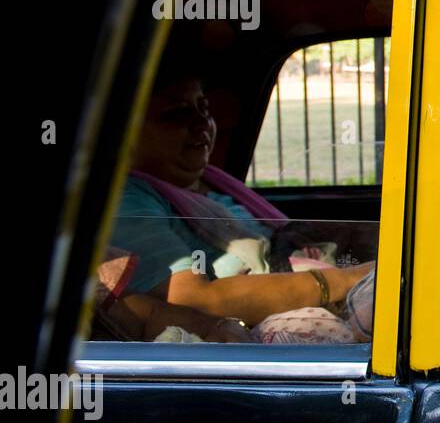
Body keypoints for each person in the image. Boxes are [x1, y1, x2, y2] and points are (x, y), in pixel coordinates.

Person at [109, 65, 374, 340]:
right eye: (177, 114)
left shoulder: (211, 183)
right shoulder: (126, 201)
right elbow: (193, 299)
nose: (202, 123)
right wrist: (344, 281)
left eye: (204, 109)